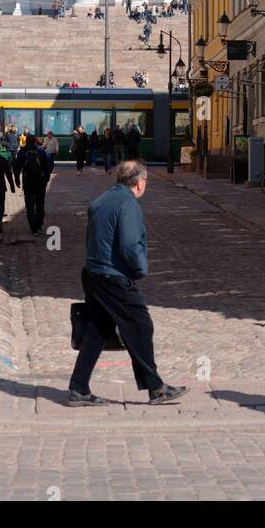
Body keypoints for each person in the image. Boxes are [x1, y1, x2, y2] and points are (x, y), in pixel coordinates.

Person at [67, 159, 187, 406]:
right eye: (146, 181)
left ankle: (78, 388)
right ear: (140, 182)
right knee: (141, 326)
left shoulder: (100, 200)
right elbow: (130, 245)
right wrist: (140, 268)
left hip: (93, 273)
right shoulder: (128, 204)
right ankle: (156, 388)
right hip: (114, 278)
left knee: (97, 331)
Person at [14, 136, 53, 234]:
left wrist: (17, 179)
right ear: (35, 141)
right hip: (40, 181)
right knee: (40, 203)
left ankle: (33, 227)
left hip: (28, 182)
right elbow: (47, 166)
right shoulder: (40, 151)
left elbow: (17, 167)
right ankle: (39, 223)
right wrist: (46, 179)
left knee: (29, 205)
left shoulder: (22, 152)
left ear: (26, 141)